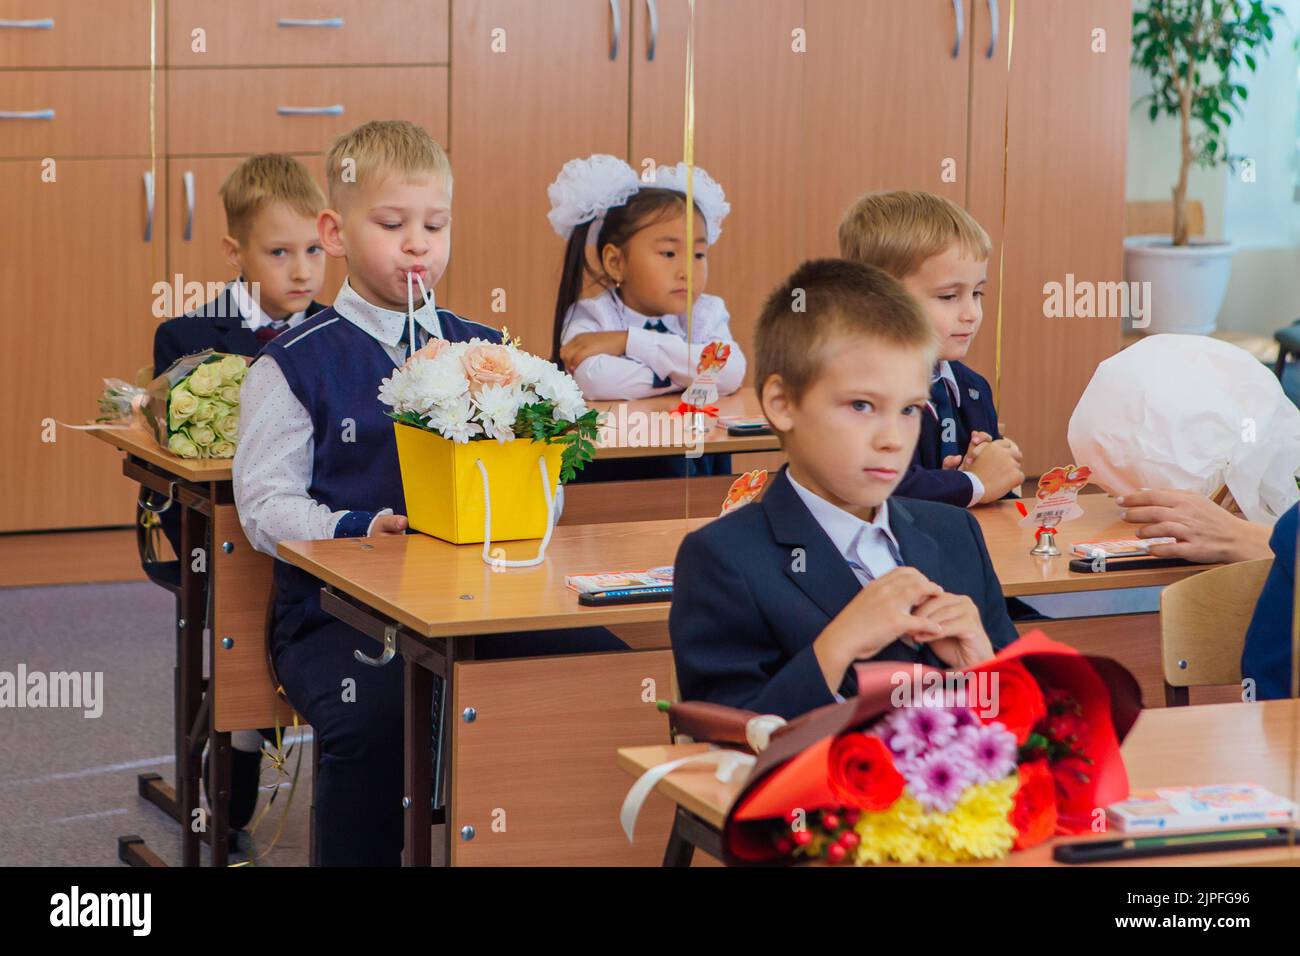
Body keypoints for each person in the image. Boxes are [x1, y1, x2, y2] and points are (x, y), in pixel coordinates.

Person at [670, 259, 1018, 719]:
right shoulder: (724, 558)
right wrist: (837, 647)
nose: (892, 438)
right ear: (782, 403)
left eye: (911, 409)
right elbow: (724, 744)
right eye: (861, 405)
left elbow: (1026, 728)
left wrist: (983, 665)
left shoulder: (955, 533)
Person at [838, 190, 1023, 507]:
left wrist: (994, 465)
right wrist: (972, 483)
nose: (971, 313)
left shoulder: (972, 388)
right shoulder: (853, 390)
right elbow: (876, 487)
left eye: (977, 294)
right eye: (949, 297)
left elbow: (993, 493)